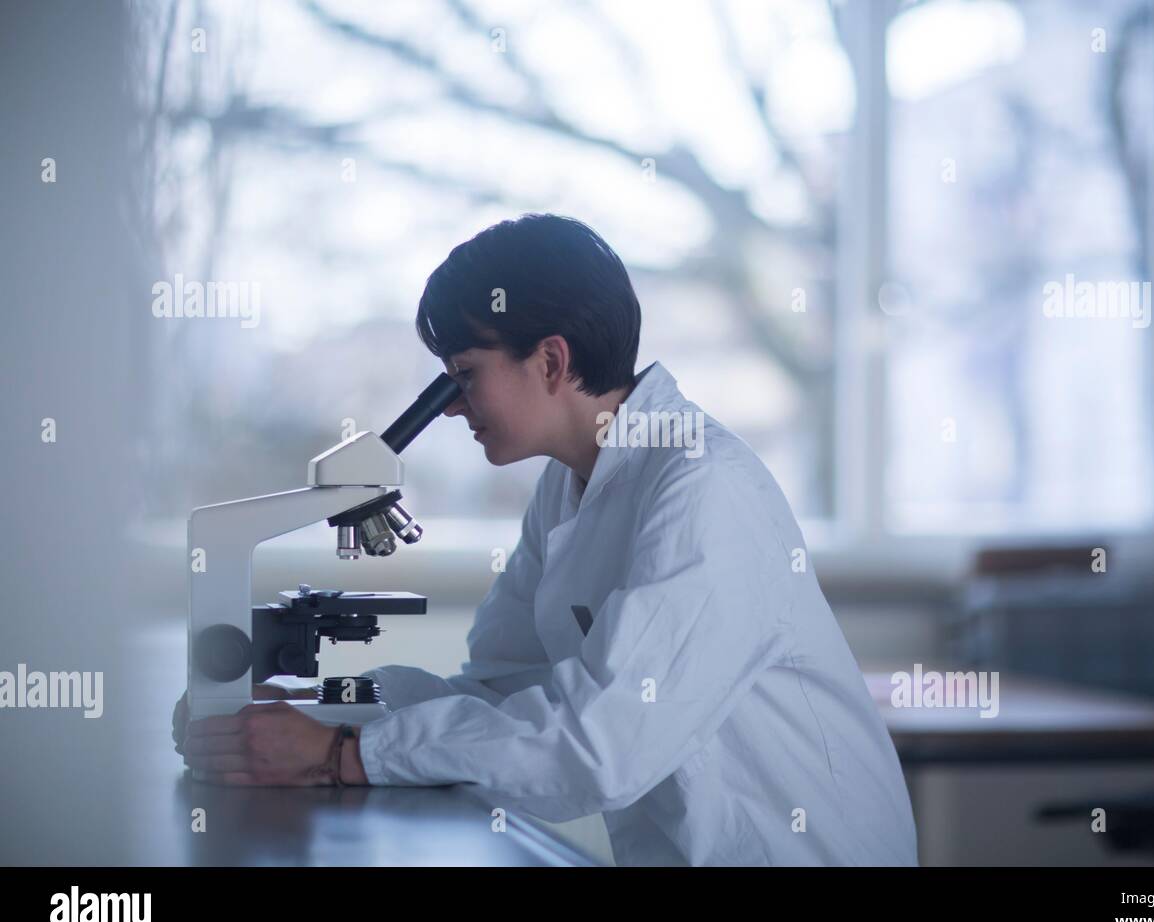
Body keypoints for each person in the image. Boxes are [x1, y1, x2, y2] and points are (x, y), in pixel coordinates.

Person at [179, 213, 918, 866]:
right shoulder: (571, 486)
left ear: (553, 361)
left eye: (464, 376)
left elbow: (598, 745)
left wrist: (342, 758)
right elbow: (501, 690)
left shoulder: (703, 489)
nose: (451, 408)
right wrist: (319, 708)